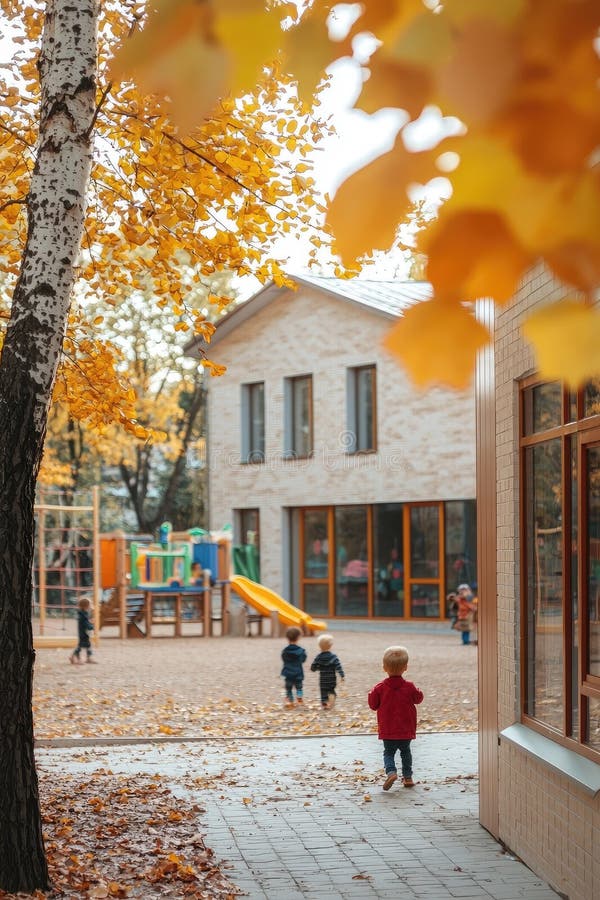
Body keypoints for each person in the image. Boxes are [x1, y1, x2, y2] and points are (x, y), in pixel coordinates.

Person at [368, 645, 424, 790]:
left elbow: (373, 705)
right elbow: (418, 699)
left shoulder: (379, 688)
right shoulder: (409, 686)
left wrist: (371, 693)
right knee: (406, 752)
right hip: (406, 728)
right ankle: (408, 777)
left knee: (389, 752)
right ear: (405, 667)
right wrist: (419, 691)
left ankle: (391, 772)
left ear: (384, 667)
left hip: (388, 728)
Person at [311, 633, 345, 709]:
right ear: (330, 646)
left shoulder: (318, 657)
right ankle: (332, 697)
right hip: (332, 679)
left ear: (319, 646)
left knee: (323, 692)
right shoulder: (333, 657)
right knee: (331, 690)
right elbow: (338, 666)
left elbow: (313, 667)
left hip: (323, 680)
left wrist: (315, 668)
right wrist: (342, 675)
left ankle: (324, 703)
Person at [280, 626, 306, 708]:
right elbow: (303, 659)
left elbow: (283, 659)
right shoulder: (301, 651)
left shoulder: (285, 651)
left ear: (287, 638)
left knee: (288, 688)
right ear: (298, 637)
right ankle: (299, 698)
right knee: (299, 687)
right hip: (298, 672)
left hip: (288, 673)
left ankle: (290, 700)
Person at [70, 596, 95, 664]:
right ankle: (73, 657)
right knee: (80, 646)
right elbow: (85, 624)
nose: (91, 607)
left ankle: (88, 658)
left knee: (88, 645)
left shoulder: (84, 614)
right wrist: (91, 626)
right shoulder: (83, 615)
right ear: (86, 607)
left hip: (85, 633)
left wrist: (90, 623)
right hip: (83, 633)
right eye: (90, 605)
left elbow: (86, 622)